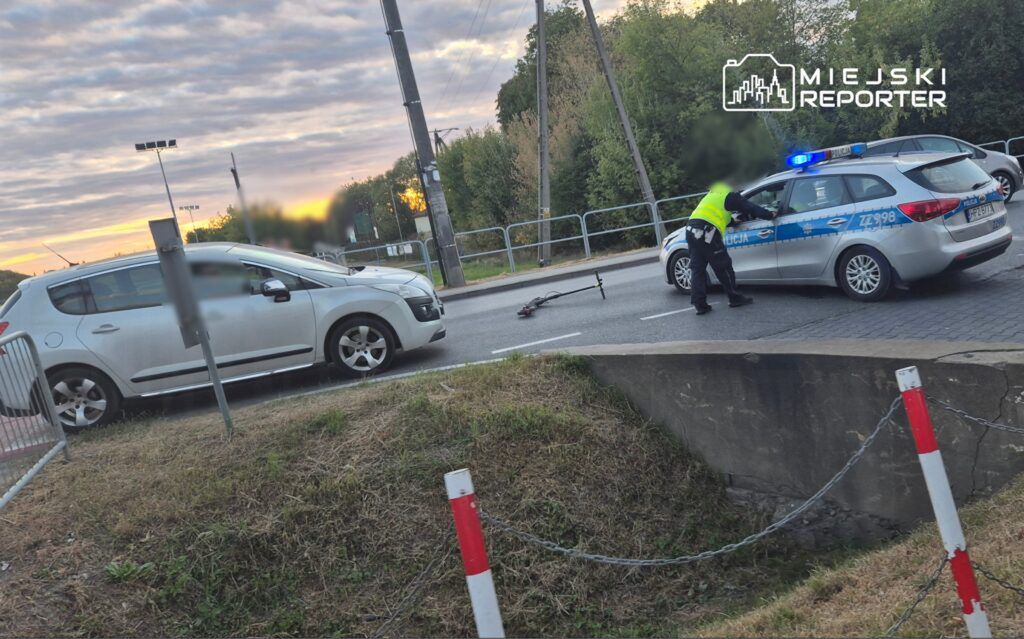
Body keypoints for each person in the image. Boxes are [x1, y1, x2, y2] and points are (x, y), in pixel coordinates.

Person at [686, 181, 777, 315]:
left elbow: (716, 212)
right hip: (707, 232)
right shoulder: (730, 195)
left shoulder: (715, 192)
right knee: (723, 266)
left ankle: (699, 304)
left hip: (690, 229)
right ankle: (734, 297)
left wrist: (733, 222)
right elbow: (750, 207)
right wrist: (769, 215)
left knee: (697, 269)